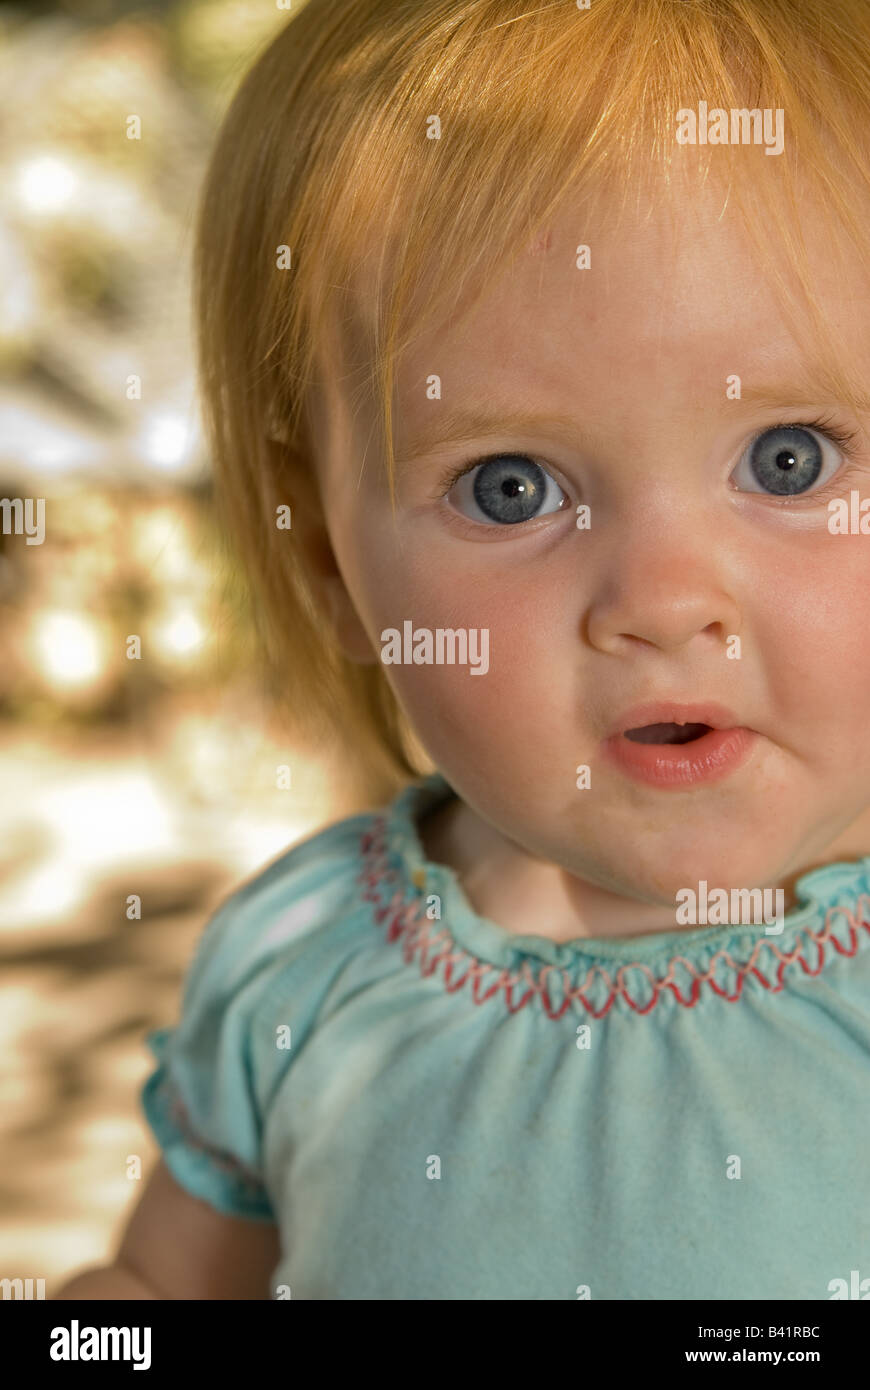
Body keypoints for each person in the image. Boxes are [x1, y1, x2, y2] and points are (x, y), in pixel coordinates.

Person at [55, 0, 870, 1299]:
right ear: (329, 566)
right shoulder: (305, 963)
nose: (661, 601)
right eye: (508, 488)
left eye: (789, 460)